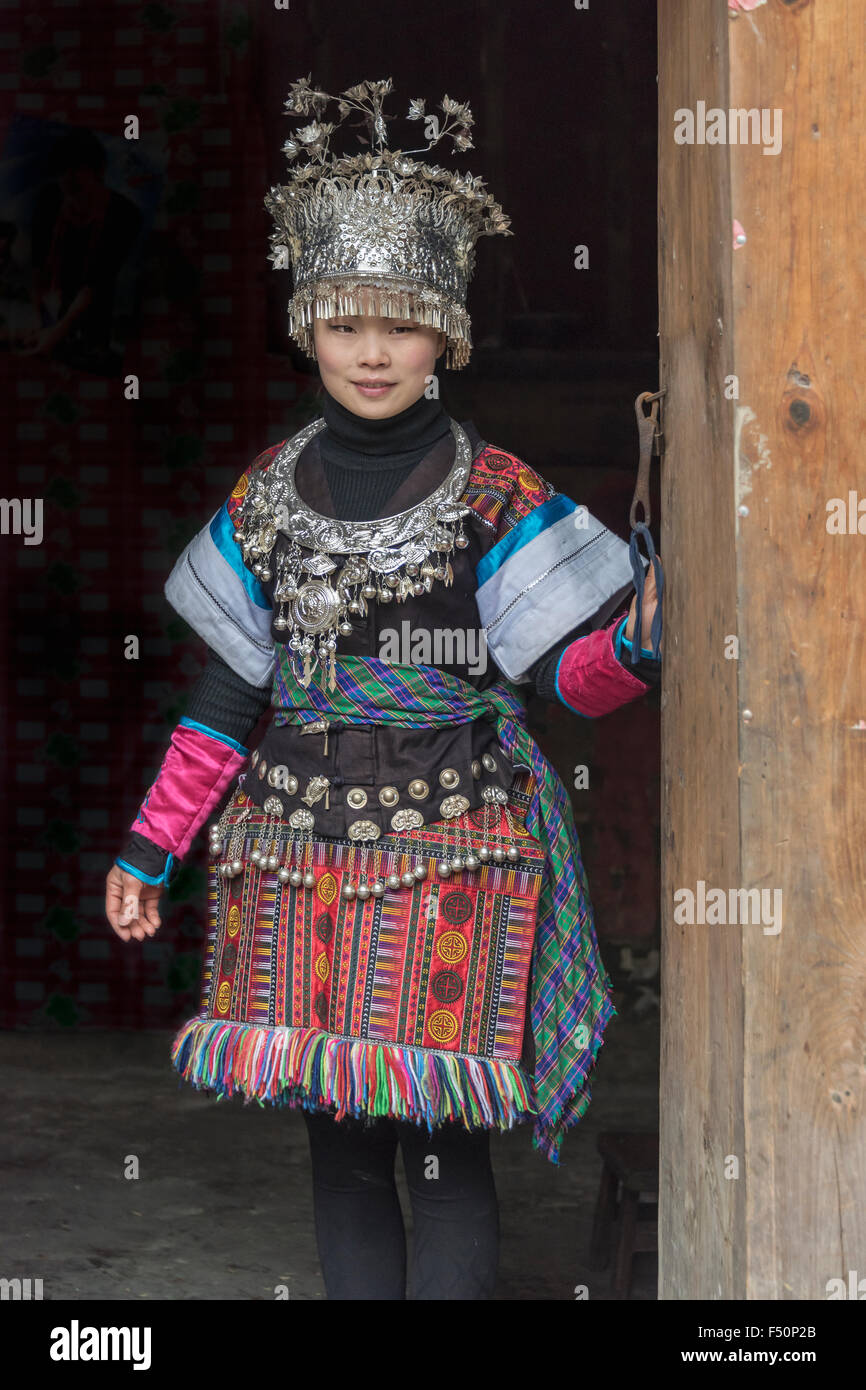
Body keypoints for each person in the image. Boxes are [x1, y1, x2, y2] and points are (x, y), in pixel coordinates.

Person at [104, 76, 662, 1301]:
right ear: (307, 324)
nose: (372, 351)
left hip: (451, 846)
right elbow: (225, 694)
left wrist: (639, 644)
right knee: (341, 1141)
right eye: (346, 321)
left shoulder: (497, 492)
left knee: (440, 1141)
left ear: (445, 335)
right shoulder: (265, 494)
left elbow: (563, 681)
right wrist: (150, 850)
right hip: (293, 850)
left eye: (401, 323)